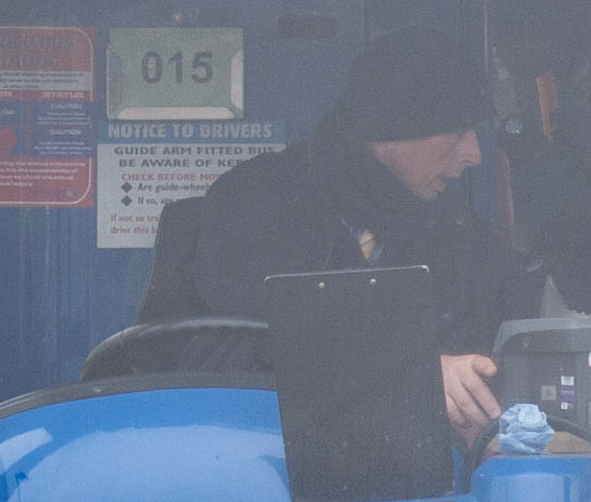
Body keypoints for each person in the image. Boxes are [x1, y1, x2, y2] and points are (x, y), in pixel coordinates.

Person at [136, 26, 545, 438]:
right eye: (457, 133)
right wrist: (413, 376)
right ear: (390, 135)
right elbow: (232, 352)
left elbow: (508, 345)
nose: (474, 154)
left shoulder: (458, 234)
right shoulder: (257, 203)